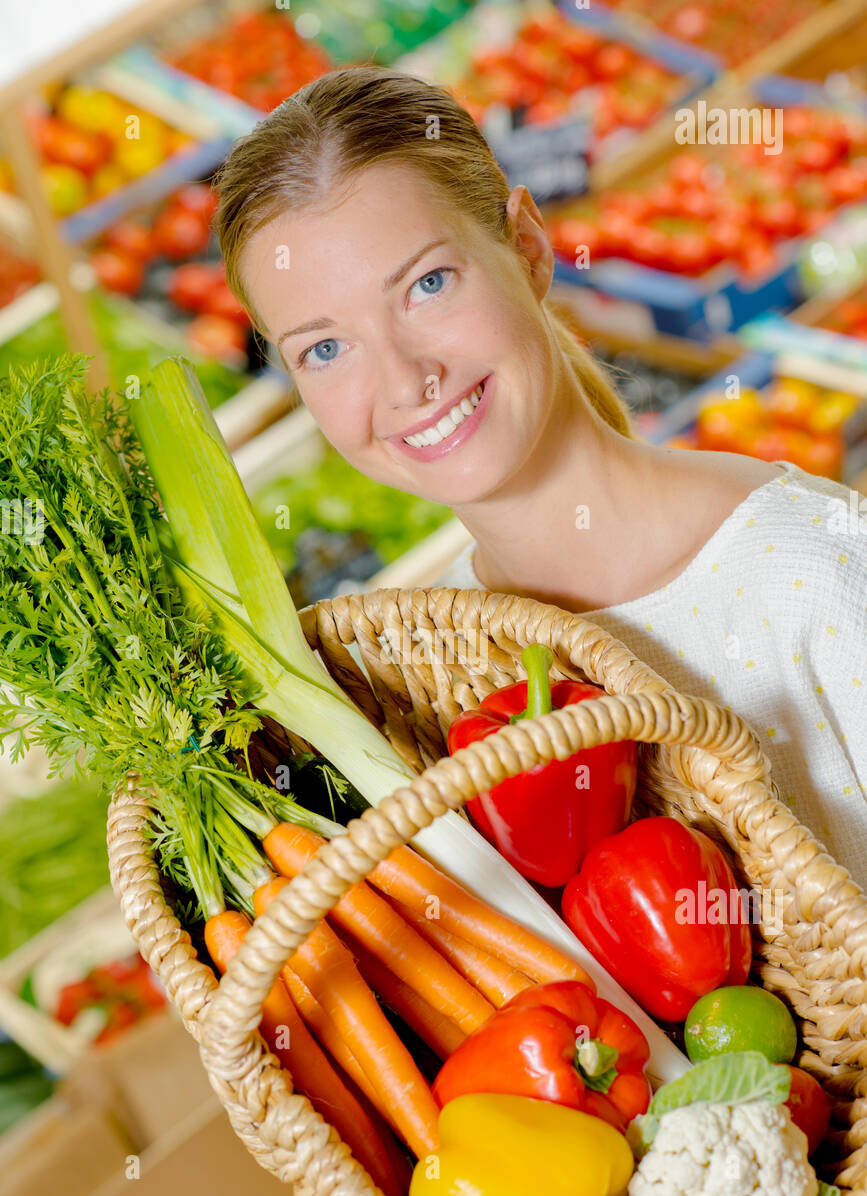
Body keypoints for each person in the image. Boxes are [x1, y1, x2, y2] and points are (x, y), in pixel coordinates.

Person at [214, 65, 867, 891]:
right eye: (325, 348)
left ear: (525, 249)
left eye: (426, 285)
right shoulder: (428, 675)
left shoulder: (817, 570)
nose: (404, 378)